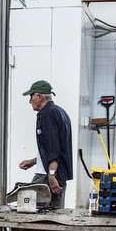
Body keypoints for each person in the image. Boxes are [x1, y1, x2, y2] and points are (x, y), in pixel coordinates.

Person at [18, 80, 73, 208]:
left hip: (46, 176)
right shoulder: (60, 112)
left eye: (31, 97)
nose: (30, 101)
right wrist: (33, 161)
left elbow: (53, 149)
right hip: (58, 174)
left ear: (39, 96)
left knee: (33, 213)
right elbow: (54, 147)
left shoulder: (47, 114)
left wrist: (51, 176)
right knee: (55, 215)